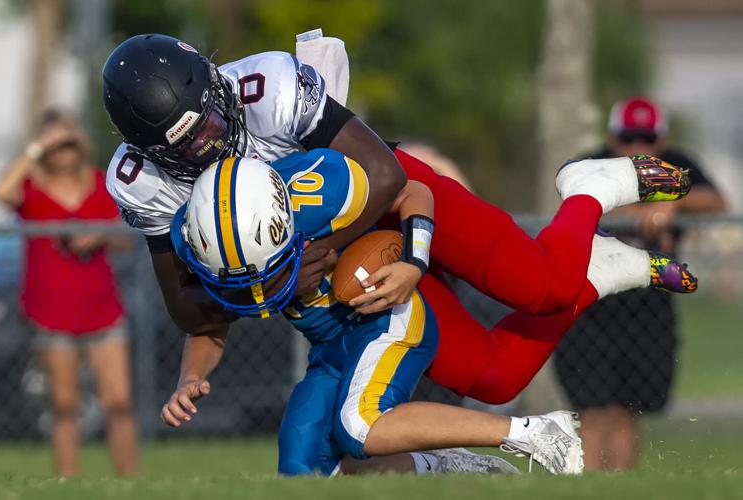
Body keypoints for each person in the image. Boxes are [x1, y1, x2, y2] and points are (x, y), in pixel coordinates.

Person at [101, 34, 698, 408]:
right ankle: (600, 271)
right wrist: (262, 275)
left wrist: (365, 253)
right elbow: (183, 308)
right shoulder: (141, 181)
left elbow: (384, 172)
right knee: (492, 379)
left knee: (542, 286)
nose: (211, 139)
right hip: (320, 272)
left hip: (389, 200)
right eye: (189, 140)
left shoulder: (269, 87)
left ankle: (590, 191)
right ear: (149, 149)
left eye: (209, 118)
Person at [160, 149, 697, 476]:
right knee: (305, 461)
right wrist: (190, 377)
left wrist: (415, 259)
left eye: (269, 272)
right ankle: (449, 465)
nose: (261, 290)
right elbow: (211, 318)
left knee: (359, 423)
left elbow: (405, 187)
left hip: (386, 291)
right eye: (243, 279)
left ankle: (589, 192)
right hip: (333, 341)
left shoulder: (316, 186)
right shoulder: (195, 229)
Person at [554, 97, 727, 470]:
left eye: (647, 140)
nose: (637, 148)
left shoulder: (678, 166)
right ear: (612, 138)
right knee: (592, 406)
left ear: (661, 141)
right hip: (592, 301)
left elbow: (715, 201)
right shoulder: (592, 163)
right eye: (628, 138)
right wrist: (646, 206)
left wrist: (674, 203)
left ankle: (620, 486)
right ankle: (590, 486)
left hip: (647, 300)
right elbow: (578, 200)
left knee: (626, 407)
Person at [0, 110, 139, 477]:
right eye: (54, 146)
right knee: (64, 404)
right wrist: (36, 146)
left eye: (68, 142)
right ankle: (67, 483)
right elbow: (1, 191)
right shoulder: (33, 191)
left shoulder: (98, 183)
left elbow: (127, 240)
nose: (62, 152)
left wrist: (99, 235)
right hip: (51, 313)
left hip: (102, 309)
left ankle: (130, 481)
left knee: (118, 401)